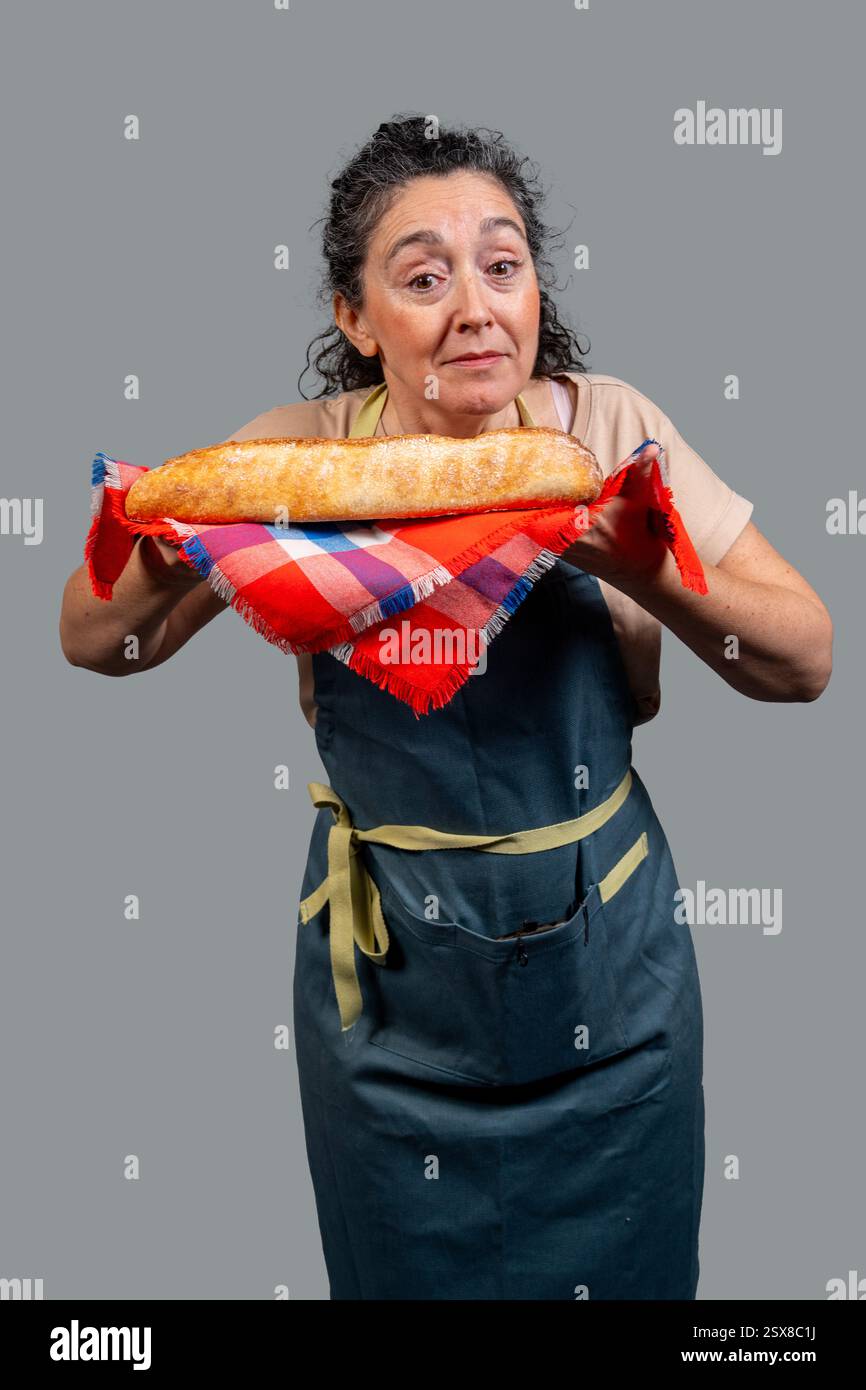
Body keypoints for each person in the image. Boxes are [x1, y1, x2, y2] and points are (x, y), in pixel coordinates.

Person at [59, 115, 833, 1300]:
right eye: (422, 277)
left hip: (606, 986)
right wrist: (201, 526)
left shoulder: (607, 433)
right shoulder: (299, 456)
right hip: (394, 1001)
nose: (474, 307)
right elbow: (95, 640)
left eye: (502, 264)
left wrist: (631, 557)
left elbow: (802, 660)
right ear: (356, 320)